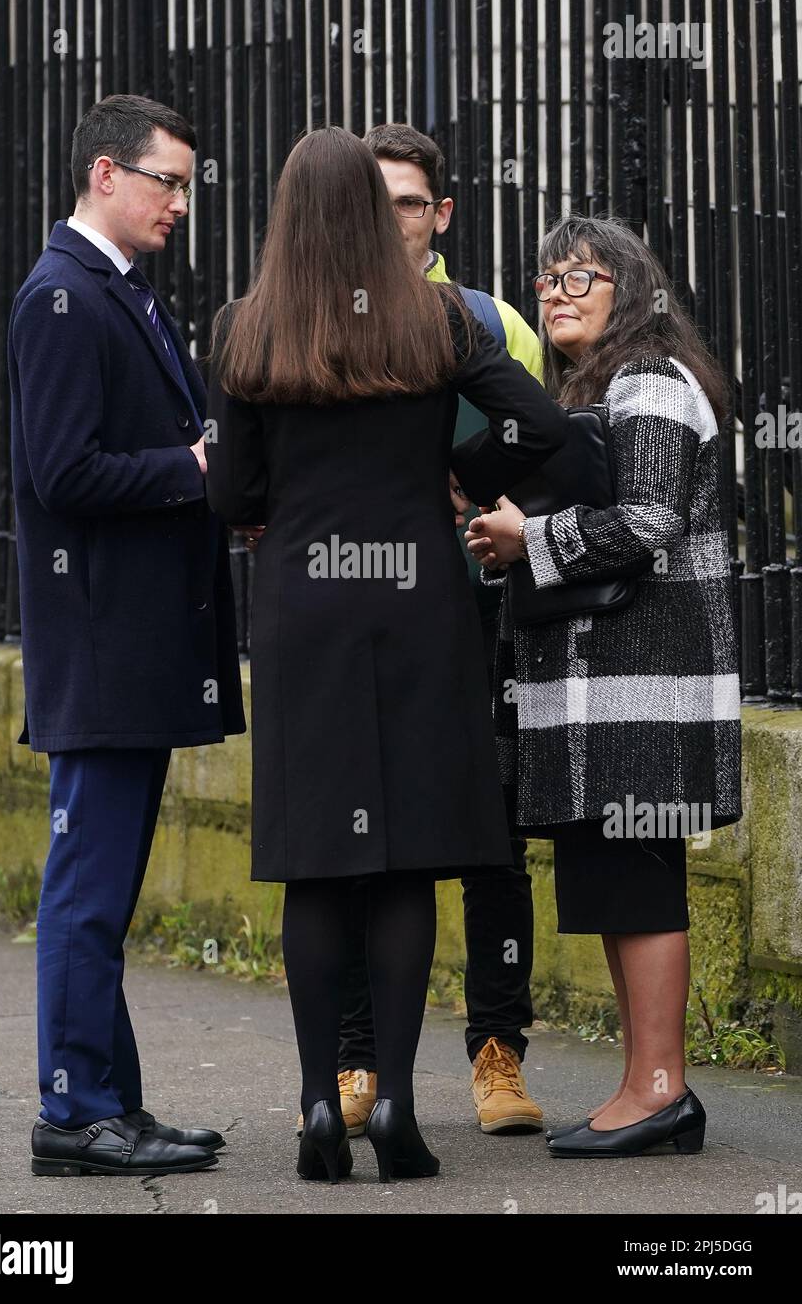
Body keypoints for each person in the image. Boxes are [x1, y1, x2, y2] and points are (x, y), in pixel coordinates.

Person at [205, 126, 568, 1183]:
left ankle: (324, 1101)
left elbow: (232, 497)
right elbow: (541, 425)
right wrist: (450, 469)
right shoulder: (440, 318)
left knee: (316, 861)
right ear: (374, 214)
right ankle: (399, 1104)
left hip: (304, 611)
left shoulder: (244, 328)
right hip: (416, 607)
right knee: (407, 856)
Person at [466, 214, 742, 1158]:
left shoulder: (652, 377)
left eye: (579, 278)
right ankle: (645, 1086)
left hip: (646, 685)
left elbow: (653, 517)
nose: (554, 294)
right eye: (545, 280)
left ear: (631, 289)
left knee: (641, 880)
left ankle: (661, 1092)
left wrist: (526, 540)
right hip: (607, 691)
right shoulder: (597, 386)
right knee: (617, 886)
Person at [8, 94, 245, 1177]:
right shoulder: (61, 297)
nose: (181, 204)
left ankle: (116, 1104)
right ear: (106, 172)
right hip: (100, 652)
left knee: (103, 891)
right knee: (85, 894)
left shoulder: (120, 292)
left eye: (188, 184)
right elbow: (62, 474)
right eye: (168, 181)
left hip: (134, 651)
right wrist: (191, 468)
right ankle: (71, 1112)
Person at [326, 123, 546, 1138]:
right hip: (364, 614)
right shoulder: (317, 313)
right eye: (374, 201)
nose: (391, 221)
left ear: (441, 214)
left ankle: (496, 1057)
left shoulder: (489, 318)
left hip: (482, 605)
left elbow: (541, 437)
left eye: (408, 202)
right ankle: (358, 1063)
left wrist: (475, 487)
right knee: (364, 843)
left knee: (491, 843)